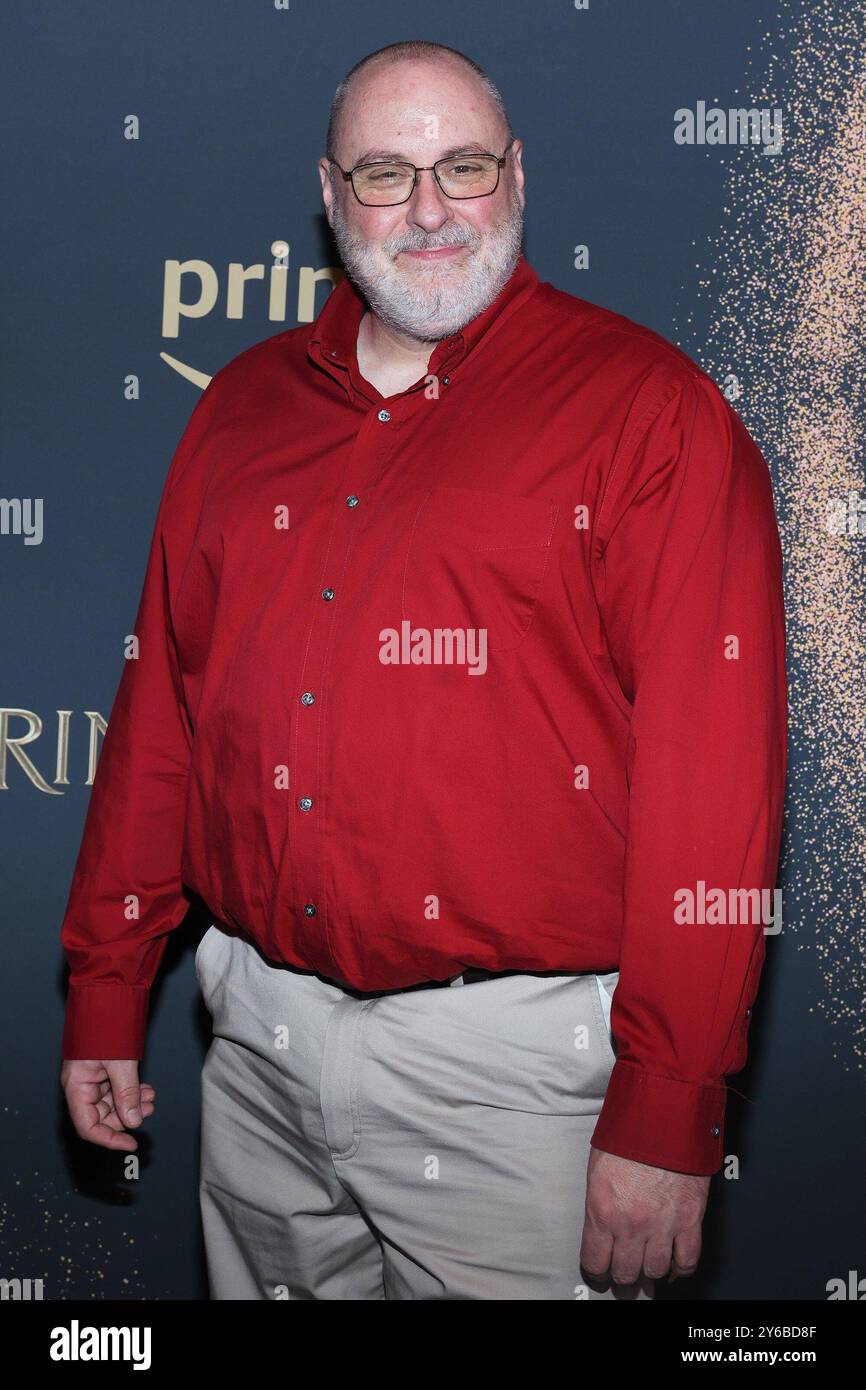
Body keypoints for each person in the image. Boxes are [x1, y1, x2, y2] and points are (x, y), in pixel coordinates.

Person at [60, 39, 787, 1301]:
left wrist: (668, 1102)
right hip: (256, 1052)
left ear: (516, 176)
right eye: (386, 175)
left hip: (517, 1081)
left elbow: (709, 787)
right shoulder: (236, 412)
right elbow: (162, 725)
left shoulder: (646, 413)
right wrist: (108, 985)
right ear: (331, 200)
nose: (432, 207)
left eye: (461, 165)